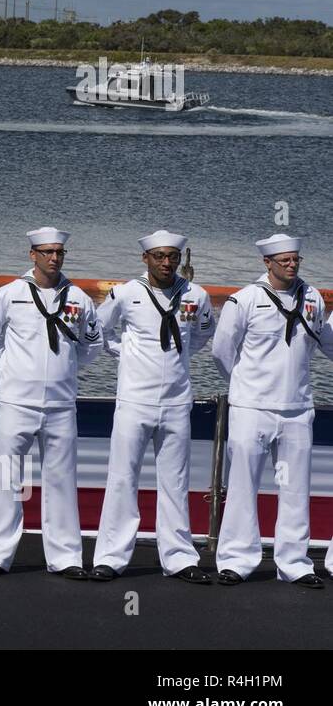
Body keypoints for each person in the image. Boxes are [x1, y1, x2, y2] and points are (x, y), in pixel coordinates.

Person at [0, 227, 103, 579]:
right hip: (17, 401)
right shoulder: (8, 295)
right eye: (46, 252)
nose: (54, 258)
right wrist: (16, 367)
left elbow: (91, 346)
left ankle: (65, 556)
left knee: (61, 479)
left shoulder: (79, 298)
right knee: (5, 478)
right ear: (32, 255)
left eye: (59, 252)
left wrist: (65, 367)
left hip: (61, 403)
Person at [91, 230, 214, 584]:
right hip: (134, 401)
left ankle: (178, 557)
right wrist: (125, 351)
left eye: (172, 257)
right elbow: (98, 330)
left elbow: (203, 334)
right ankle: (111, 557)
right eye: (159, 256)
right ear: (145, 258)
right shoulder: (126, 294)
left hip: (177, 401)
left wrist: (179, 356)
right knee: (122, 479)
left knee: (175, 482)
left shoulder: (196, 295)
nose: (166, 263)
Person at [211, 234, 332, 588]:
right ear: (267, 263)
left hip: (296, 407)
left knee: (295, 489)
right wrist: (248, 385)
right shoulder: (244, 300)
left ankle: (294, 562)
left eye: (296, 260)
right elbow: (222, 351)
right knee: (243, 485)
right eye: (284, 261)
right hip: (252, 407)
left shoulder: (312, 298)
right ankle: (236, 559)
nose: (292, 265)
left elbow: (325, 341)